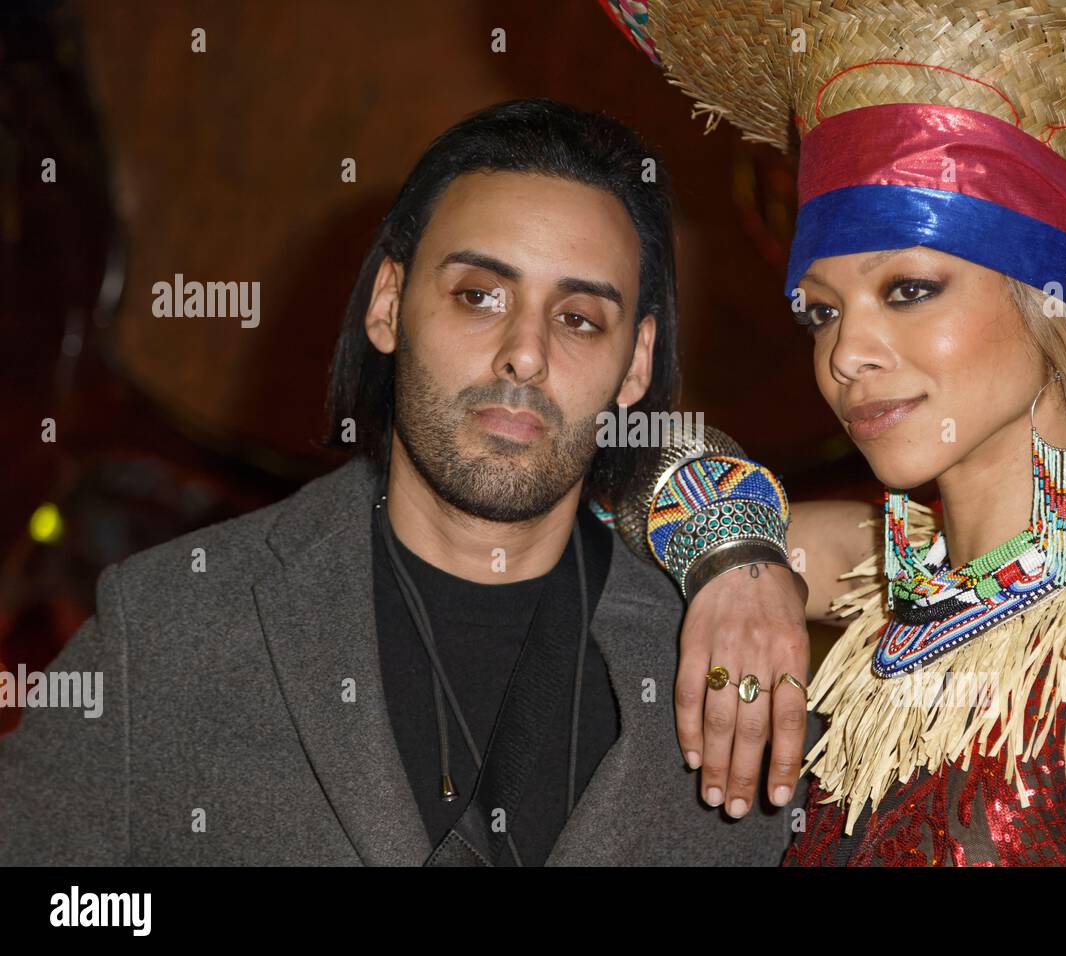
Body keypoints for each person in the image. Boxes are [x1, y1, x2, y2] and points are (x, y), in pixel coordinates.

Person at [0, 98, 813, 866]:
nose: (524, 354)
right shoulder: (170, 624)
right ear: (388, 306)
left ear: (634, 362)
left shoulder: (738, 661)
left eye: (578, 318)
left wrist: (750, 558)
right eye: (478, 295)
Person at [605, 0, 1066, 865]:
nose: (845, 354)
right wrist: (734, 566)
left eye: (908, 290)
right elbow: (614, 476)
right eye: (820, 311)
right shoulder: (888, 569)